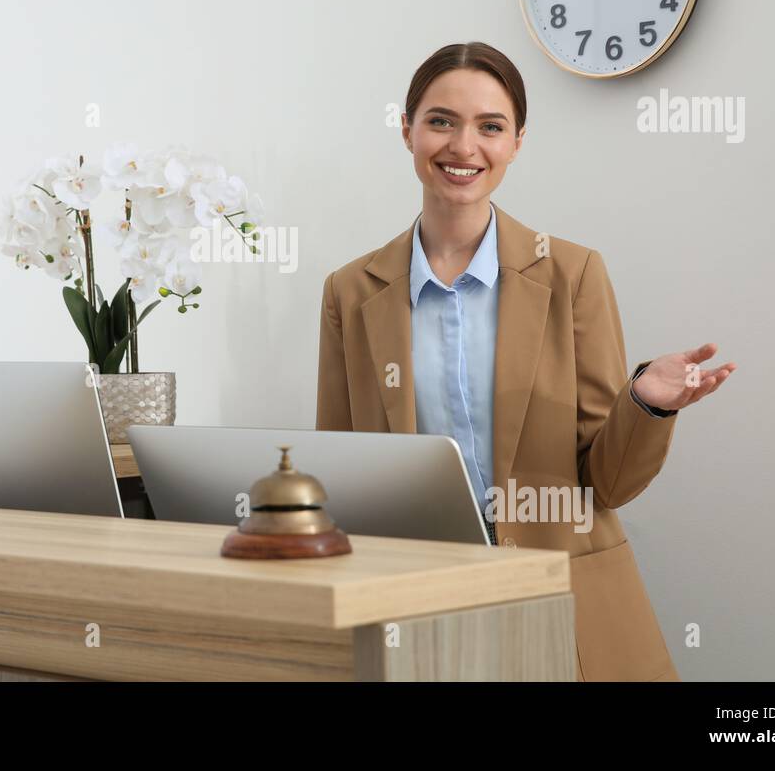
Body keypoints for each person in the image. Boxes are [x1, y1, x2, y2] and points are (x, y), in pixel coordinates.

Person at [315, 41, 735, 681]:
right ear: (406, 132)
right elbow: (342, 472)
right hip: (413, 605)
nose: (464, 147)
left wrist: (645, 403)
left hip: (561, 600)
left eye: (490, 126)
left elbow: (609, 486)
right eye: (440, 121)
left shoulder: (573, 274)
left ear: (516, 142)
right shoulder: (350, 291)